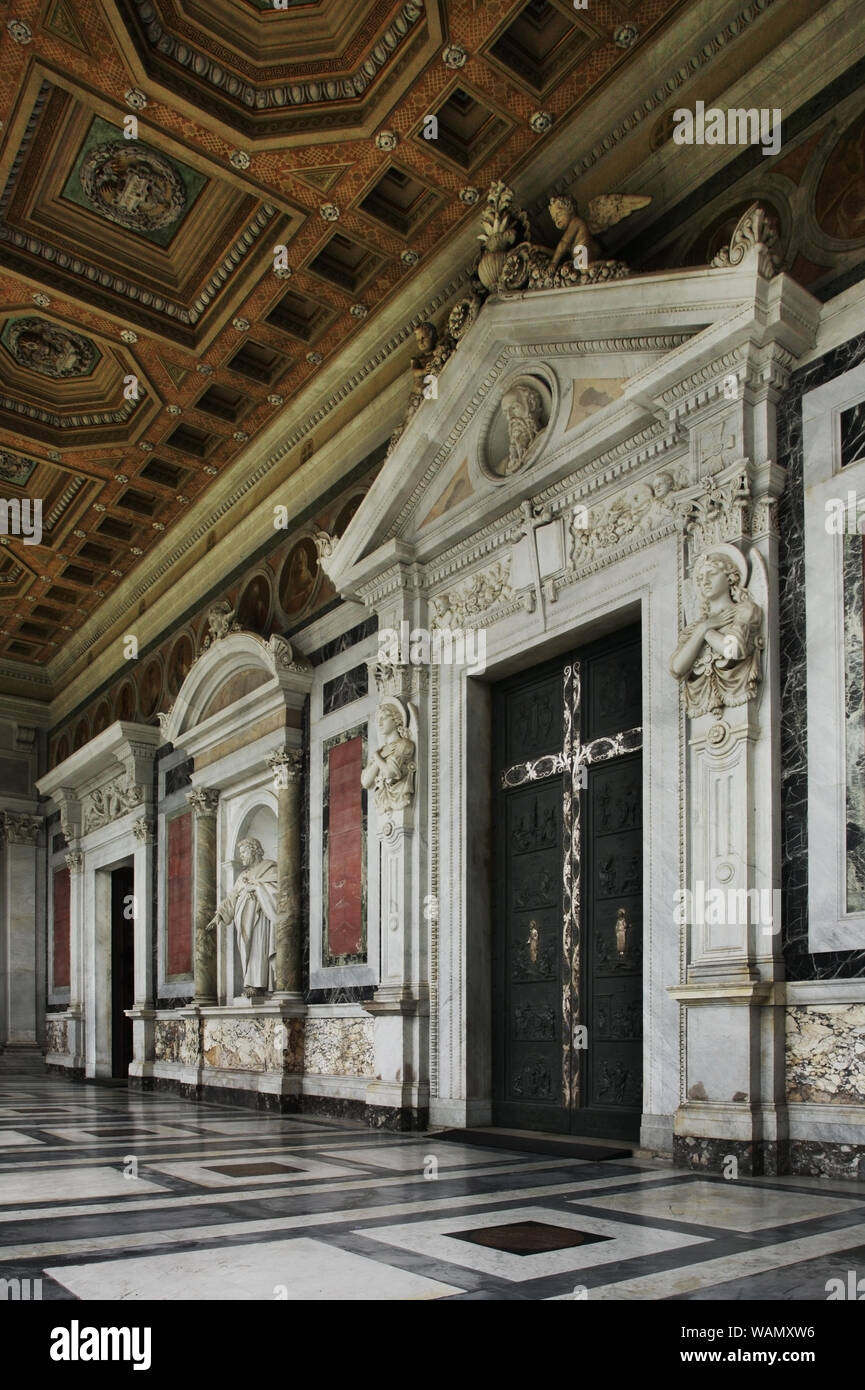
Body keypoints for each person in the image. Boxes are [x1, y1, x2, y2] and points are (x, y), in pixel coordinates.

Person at [670, 549, 762, 717]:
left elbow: (734, 649)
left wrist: (707, 632)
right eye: (699, 578)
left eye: (711, 574)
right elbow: (676, 668)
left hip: (739, 698)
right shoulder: (695, 627)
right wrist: (704, 627)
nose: (704, 581)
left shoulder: (744, 610)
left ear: (730, 577)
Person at [208, 837, 278, 996]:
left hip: (262, 920)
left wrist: (255, 888)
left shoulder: (270, 868)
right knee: (250, 952)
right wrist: (219, 915)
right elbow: (232, 897)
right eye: (240, 853)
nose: (242, 857)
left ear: (254, 850)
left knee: (260, 950)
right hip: (244, 922)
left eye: (244, 852)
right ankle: (250, 983)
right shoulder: (242, 876)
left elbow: (279, 891)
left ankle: (259, 984)